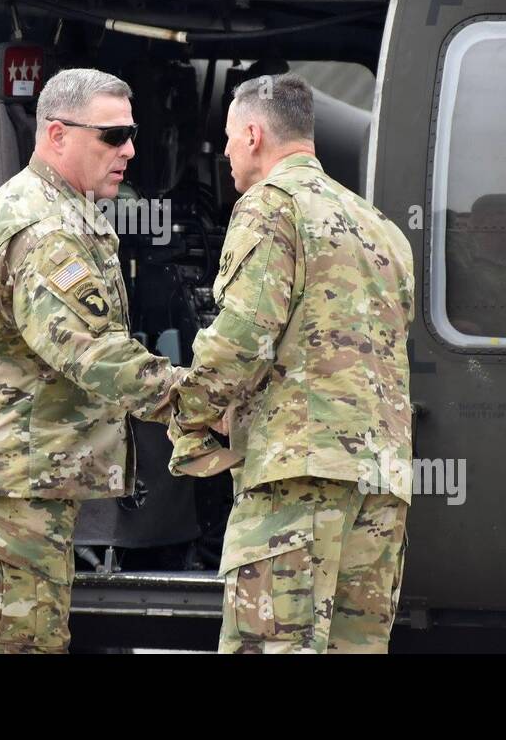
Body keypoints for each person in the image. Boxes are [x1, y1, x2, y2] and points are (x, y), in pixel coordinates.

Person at [0, 67, 229, 654]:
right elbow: (89, 350)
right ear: (58, 135)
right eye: (113, 136)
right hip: (12, 484)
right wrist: (195, 400)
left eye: (132, 133)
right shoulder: (44, 227)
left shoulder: (64, 211)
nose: (130, 150)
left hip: (27, 478)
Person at [157, 73, 415, 653]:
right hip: (381, 482)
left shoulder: (270, 207)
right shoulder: (381, 228)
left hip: (298, 478)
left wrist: (187, 416)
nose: (222, 151)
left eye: (226, 137)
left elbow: (240, 341)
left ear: (252, 134)